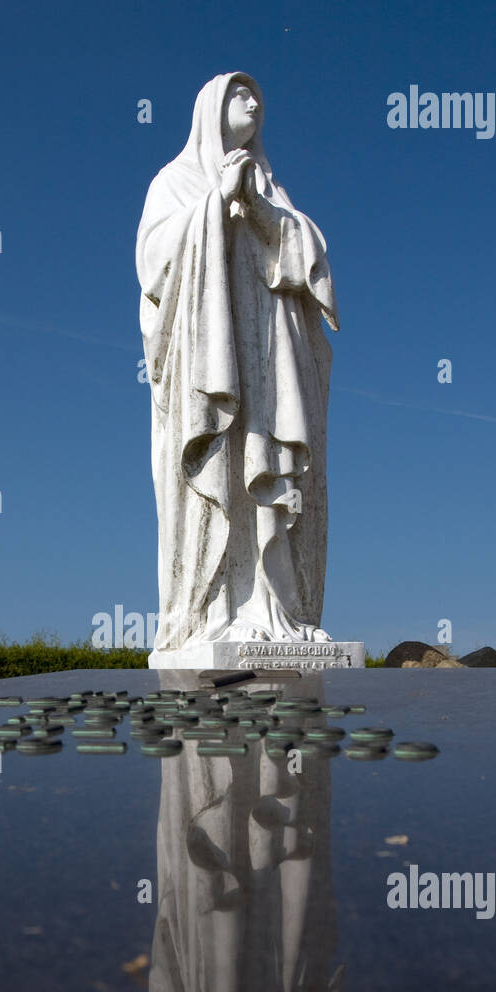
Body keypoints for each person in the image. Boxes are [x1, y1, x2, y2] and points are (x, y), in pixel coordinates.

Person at [136, 73, 339, 654]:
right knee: (224, 470)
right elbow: (155, 266)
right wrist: (217, 200)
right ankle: (213, 613)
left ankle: (276, 608)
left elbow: (308, 257)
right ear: (211, 110)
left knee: (269, 470)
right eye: (240, 95)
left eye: (258, 97)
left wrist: (259, 210)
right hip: (212, 371)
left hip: (271, 362)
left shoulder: (272, 188)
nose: (254, 104)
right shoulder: (173, 183)